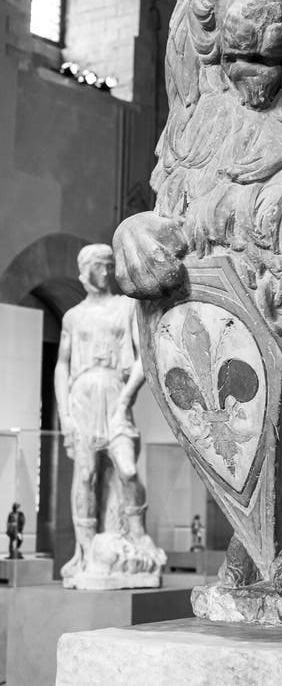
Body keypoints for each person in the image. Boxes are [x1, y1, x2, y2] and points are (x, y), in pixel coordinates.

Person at [54, 244, 160, 582]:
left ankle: (138, 532)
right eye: (100, 266)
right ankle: (85, 550)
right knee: (85, 475)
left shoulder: (126, 306)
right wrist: (64, 413)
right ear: (85, 272)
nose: (106, 272)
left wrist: (126, 398)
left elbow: (145, 357)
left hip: (115, 394)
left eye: (109, 265)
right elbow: (61, 364)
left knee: (127, 470)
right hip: (82, 397)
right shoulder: (73, 316)